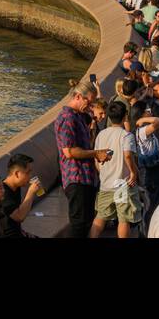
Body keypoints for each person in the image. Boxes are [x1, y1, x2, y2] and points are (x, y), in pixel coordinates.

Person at [53, 81, 111, 237]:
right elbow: (69, 151)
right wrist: (95, 153)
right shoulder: (68, 118)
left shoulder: (78, 116)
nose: (90, 106)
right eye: (89, 102)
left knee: (85, 222)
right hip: (76, 178)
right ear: (78, 96)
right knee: (78, 224)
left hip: (85, 178)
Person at [90, 99, 144, 238]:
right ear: (125, 116)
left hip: (106, 183)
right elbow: (127, 155)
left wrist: (103, 173)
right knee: (123, 219)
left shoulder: (101, 135)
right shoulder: (126, 135)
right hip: (122, 184)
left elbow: (96, 158)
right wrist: (133, 172)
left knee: (100, 217)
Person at [0, 152, 45, 238]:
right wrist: (30, 192)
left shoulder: (15, 187)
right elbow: (19, 216)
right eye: (28, 172)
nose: (30, 176)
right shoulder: (4, 192)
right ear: (17, 174)